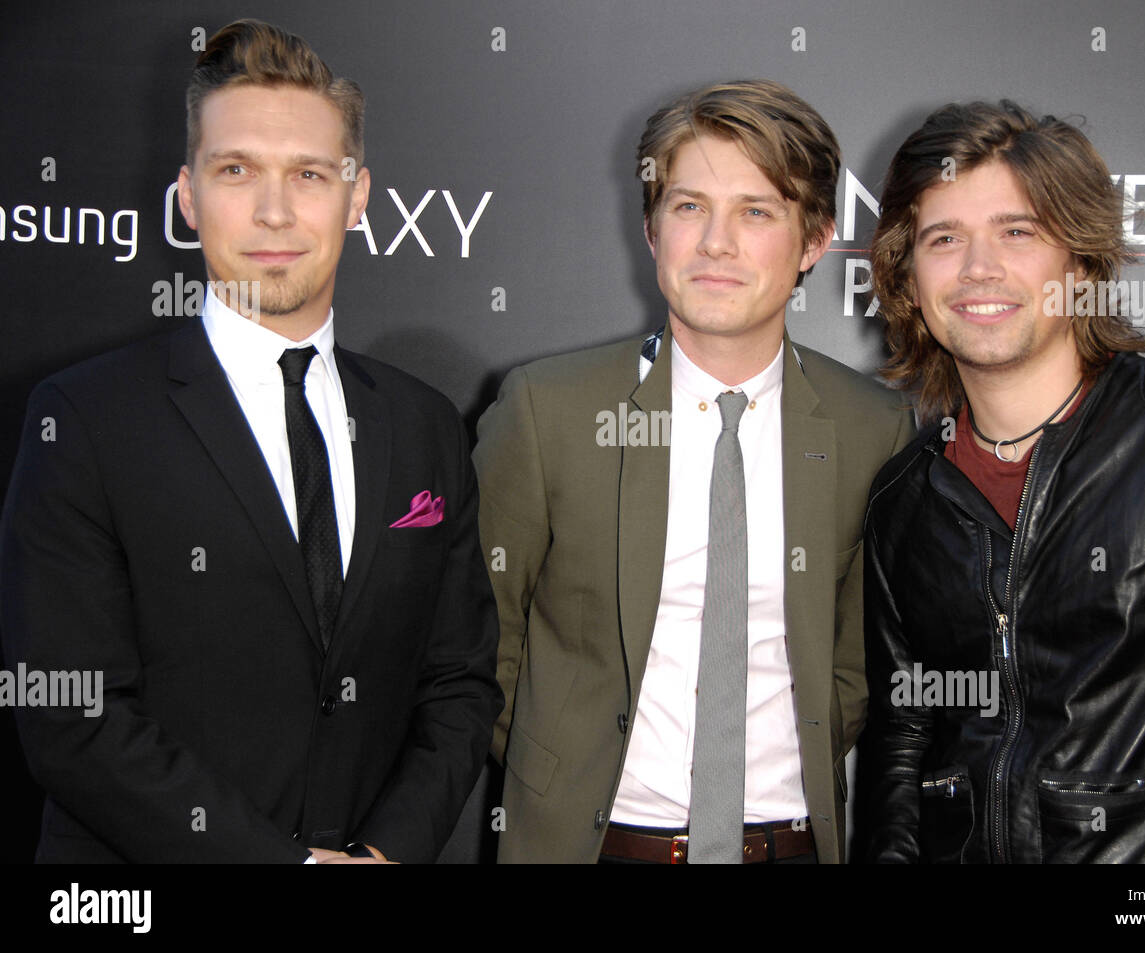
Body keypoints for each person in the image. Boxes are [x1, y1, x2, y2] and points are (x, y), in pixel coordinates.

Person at [0, 19, 501, 863]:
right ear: (189, 196)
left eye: (308, 174)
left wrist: (386, 854)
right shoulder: (82, 419)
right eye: (237, 171)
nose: (274, 210)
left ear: (358, 196)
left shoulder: (422, 425)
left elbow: (458, 684)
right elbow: (72, 714)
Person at [474, 79, 914, 864]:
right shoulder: (548, 411)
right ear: (650, 228)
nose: (717, 241)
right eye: (688, 206)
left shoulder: (871, 427)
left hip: (790, 846)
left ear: (814, 240)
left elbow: (861, 659)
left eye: (757, 211)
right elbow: (479, 647)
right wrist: (556, 768)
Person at [860, 100, 1145, 863]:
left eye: (1017, 231)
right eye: (944, 238)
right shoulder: (904, 500)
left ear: (1080, 259)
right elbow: (907, 731)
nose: (978, 268)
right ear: (907, 275)